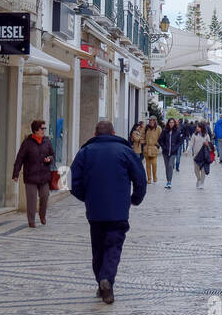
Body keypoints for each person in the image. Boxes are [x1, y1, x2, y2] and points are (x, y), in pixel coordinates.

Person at [69, 119, 147, 303]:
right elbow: (140, 179)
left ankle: (101, 283)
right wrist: (135, 199)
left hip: (95, 211)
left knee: (98, 248)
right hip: (119, 211)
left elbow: (69, 180)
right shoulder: (126, 151)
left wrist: (85, 197)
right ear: (113, 133)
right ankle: (107, 280)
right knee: (113, 247)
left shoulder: (85, 152)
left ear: (95, 135)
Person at [12, 119, 56, 227]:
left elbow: (52, 155)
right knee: (31, 199)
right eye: (42, 128)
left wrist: (49, 159)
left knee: (45, 196)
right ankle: (31, 220)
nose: (44, 130)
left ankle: (42, 215)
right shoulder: (27, 143)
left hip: (44, 176)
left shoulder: (47, 141)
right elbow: (19, 158)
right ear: (35, 130)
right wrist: (16, 173)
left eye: (44, 128)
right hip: (30, 176)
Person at [161, 118, 184, 189]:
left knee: (170, 165)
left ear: (174, 123)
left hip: (173, 152)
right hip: (165, 152)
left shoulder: (177, 132)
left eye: (172, 122)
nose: (171, 124)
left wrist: (175, 148)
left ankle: (169, 182)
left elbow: (180, 142)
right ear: (168, 123)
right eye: (170, 122)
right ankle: (167, 180)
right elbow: (160, 140)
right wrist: (164, 147)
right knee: (167, 167)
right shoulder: (164, 131)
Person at [190, 122, 212, 189]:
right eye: (197, 127)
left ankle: (202, 183)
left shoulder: (206, 135)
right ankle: (198, 179)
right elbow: (191, 143)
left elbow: (210, 146)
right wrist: (187, 151)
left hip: (204, 155)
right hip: (196, 155)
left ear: (202, 128)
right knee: (196, 169)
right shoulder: (194, 135)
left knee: (203, 170)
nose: (197, 128)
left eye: (198, 127)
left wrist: (207, 144)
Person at [142, 116, 161, 184]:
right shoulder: (146, 128)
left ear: (155, 121)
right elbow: (142, 136)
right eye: (150, 120)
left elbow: (161, 137)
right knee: (147, 165)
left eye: (153, 120)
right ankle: (149, 178)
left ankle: (154, 176)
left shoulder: (158, 128)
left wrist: (157, 145)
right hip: (147, 148)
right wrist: (144, 144)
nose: (151, 122)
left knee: (154, 163)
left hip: (154, 148)